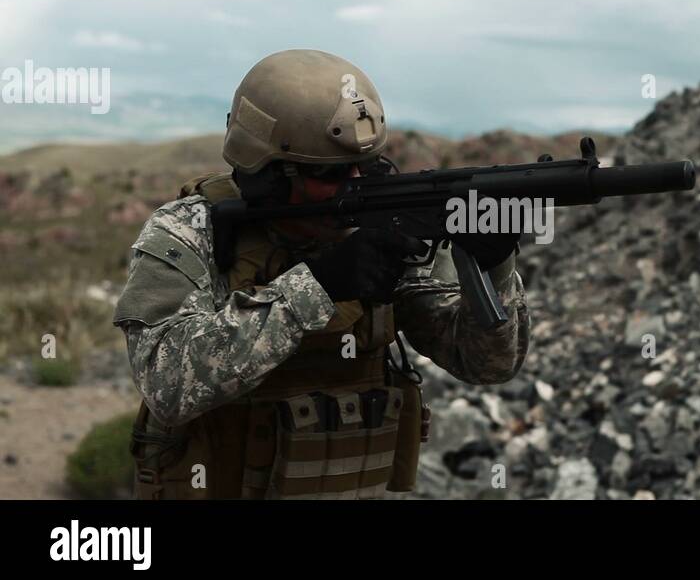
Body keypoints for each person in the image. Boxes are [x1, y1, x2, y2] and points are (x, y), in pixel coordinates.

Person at [113, 49, 530, 499]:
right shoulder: (190, 231)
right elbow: (167, 384)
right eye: (330, 173)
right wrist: (317, 287)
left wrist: (492, 266)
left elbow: (486, 364)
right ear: (269, 175)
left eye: (366, 168)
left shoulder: (380, 226)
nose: (355, 184)